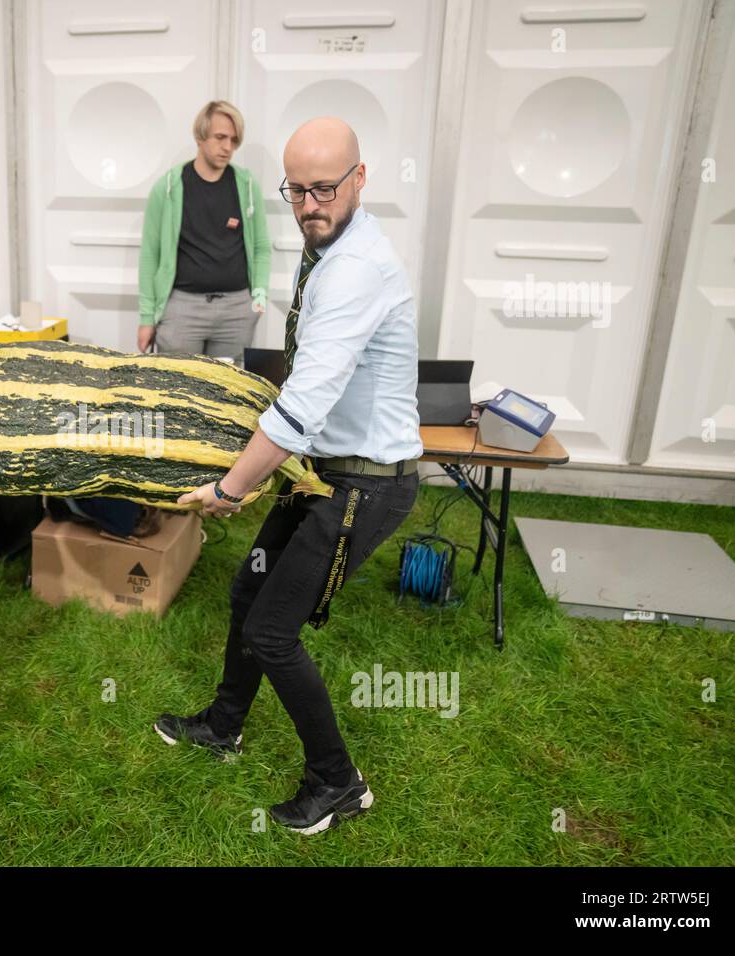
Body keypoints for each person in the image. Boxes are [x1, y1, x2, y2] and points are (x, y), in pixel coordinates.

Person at [156, 117, 424, 834]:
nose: (310, 205)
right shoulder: (330, 253)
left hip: (365, 483)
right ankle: (223, 726)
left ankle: (338, 783)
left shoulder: (357, 271)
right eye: (297, 191)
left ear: (360, 180)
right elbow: (303, 393)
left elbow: (301, 406)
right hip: (322, 471)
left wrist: (229, 488)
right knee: (249, 591)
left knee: (275, 631)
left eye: (325, 189)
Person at [137, 100, 270, 364]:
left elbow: (261, 247)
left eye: (234, 140)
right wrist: (146, 318)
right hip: (181, 309)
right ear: (200, 137)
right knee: (175, 390)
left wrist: (259, 295)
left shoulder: (247, 186)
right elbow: (150, 255)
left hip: (236, 311)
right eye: (220, 137)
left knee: (227, 394)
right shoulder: (168, 187)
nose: (227, 147)